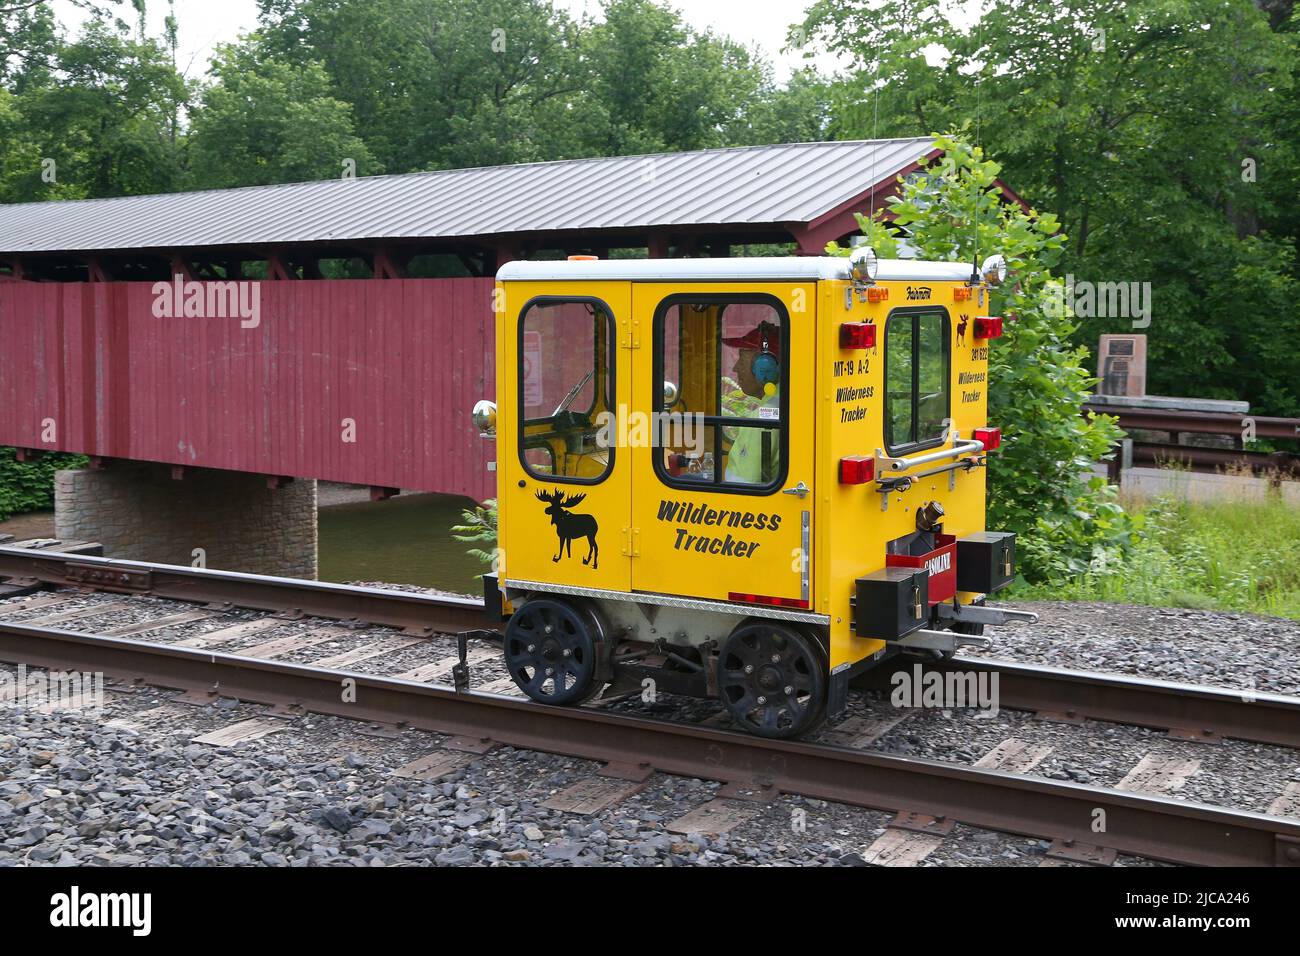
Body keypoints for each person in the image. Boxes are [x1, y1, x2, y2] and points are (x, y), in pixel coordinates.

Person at [721, 321, 781, 484]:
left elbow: (741, 486)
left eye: (741, 359)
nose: (735, 368)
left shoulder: (760, 419)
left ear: (765, 369)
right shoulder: (784, 402)